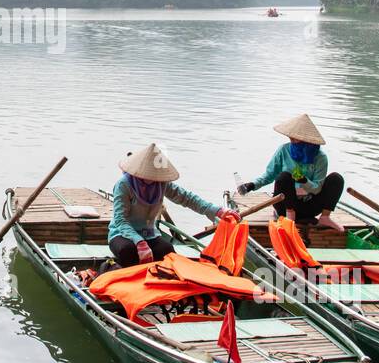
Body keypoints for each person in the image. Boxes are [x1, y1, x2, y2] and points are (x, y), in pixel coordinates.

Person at [109, 143, 238, 267]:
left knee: (167, 252)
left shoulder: (161, 183)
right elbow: (121, 220)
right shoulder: (123, 185)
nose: (156, 178)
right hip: (122, 234)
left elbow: (187, 198)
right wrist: (139, 241)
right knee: (129, 251)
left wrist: (217, 211)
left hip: (149, 234)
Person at [236, 113, 345, 232]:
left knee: (336, 178)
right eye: (291, 137)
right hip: (286, 205)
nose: (291, 140)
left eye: (295, 138)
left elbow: (317, 188)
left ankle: (325, 217)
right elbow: (269, 175)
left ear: (306, 140)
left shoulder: (320, 157)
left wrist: (304, 181)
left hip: (310, 205)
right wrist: (252, 185)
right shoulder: (284, 150)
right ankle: (290, 218)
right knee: (284, 177)